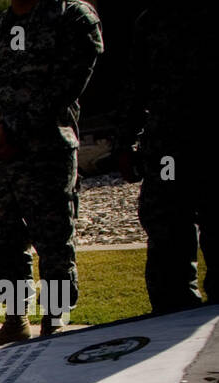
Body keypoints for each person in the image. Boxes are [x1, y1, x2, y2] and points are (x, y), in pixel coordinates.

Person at [0, 0, 102, 348]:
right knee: (5, 243)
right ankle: (15, 319)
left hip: (45, 157)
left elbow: (66, 84)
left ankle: (54, 322)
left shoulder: (71, 17)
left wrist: (13, 129)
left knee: (53, 241)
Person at [115, 0, 214, 316]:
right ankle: (173, 311)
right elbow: (136, 87)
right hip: (167, 149)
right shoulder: (152, 19)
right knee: (167, 232)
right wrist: (124, 143)